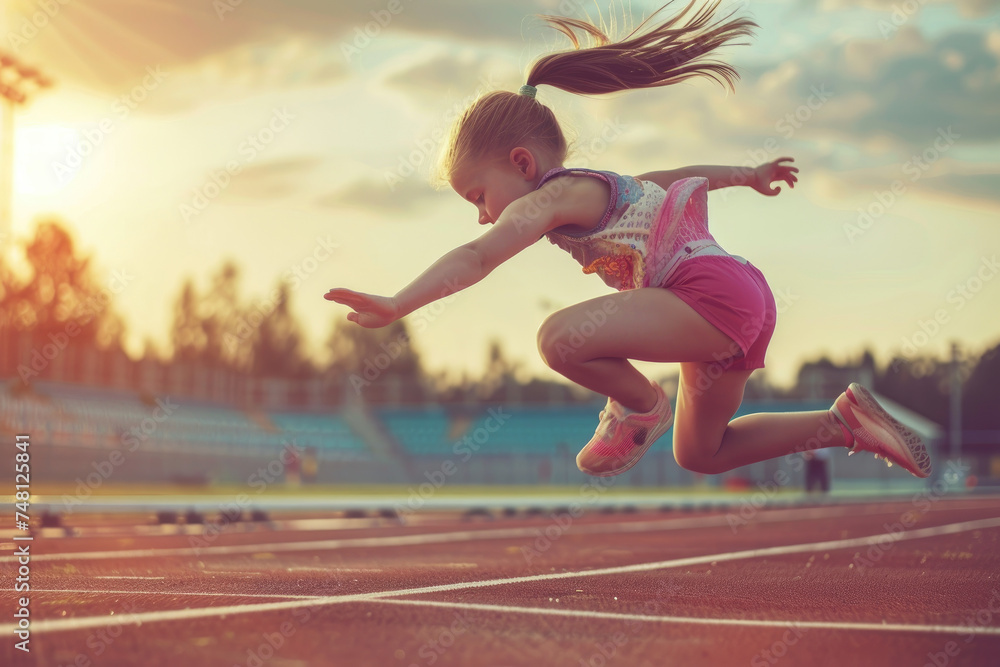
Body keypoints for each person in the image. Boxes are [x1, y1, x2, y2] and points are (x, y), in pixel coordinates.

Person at [325, 0, 932, 481]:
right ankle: (843, 423)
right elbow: (676, 179)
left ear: (521, 162)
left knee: (558, 339)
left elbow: (478, 257)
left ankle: (640, 406)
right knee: (702, 452)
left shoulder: (554, 197)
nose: (483, 217)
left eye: (478, 196)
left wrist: (400, 302)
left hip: (707, 295)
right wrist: (747, 176)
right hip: (733, 298)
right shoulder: (607, 190)